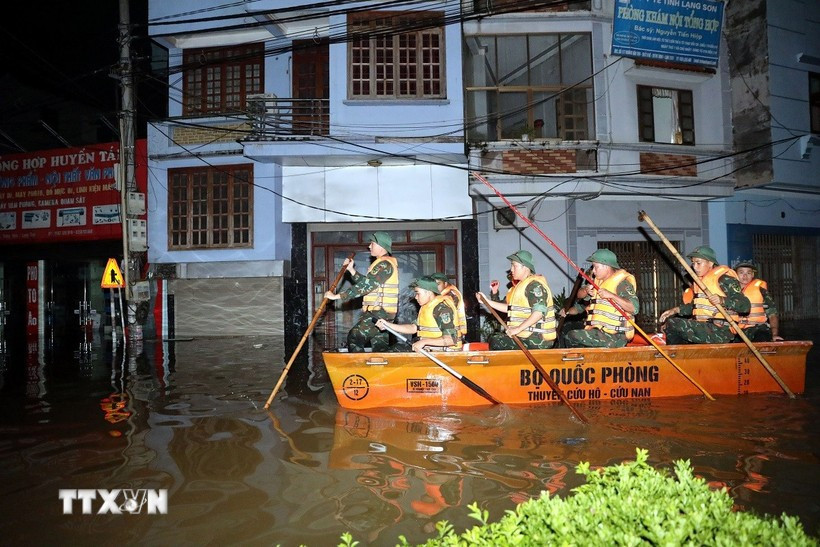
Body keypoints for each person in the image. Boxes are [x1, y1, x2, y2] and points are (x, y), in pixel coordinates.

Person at [659, 246, 750, 345]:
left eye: (698, 263)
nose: (695, 267)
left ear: (710, 263)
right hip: (704, 327)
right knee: (669, 326)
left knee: (673, 323)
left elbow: (745, 306)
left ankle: (677, 356)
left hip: (720, 331)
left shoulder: (724, 279)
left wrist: (722, 300)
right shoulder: (700, 282)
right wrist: (674, 310)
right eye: (693, 263)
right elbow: (695, 306)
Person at [325, 231, 399, 352]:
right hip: (381, 313)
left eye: (372, 243)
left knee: (354, 337)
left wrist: (337, 296)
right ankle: (378, 369)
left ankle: (357, 368)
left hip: (379, 313)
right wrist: (351, 270)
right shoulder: (384, 264)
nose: (369, 246)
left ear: (381, 246)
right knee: (380, 348)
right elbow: (367, 283)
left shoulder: (384, 265)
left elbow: (366, 286)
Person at [476, 250, 557, 350]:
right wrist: (486, 301)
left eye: (514, 266)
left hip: (537, 338)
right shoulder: (522, 286)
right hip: (527, 335)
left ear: (525, 267)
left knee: (496, 341)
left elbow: (539, 312)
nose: (511, 269)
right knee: (495, 338)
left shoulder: (534, 285)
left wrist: (518, 329)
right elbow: (510, 308)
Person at [561, 249, 639, 348]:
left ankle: (580, 362)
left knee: (572, 336)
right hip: (598, 331)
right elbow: (579, 295)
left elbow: (634, 308)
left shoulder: (622, 284)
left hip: (615, 336)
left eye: (596, 267)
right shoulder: (598, 282)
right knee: (568, 332)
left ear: (606, 267)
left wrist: (612, 295)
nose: (593, 270)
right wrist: (586, 290)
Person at [375, 276, 461, 352]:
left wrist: (423, 342)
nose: (415, 297)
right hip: (429, 351)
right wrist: (388, 325)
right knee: (393, 351)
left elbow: (451, 340)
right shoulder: (427, 307)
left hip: (444, 355)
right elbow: (413, 328)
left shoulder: (442, 309)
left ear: (428, 292)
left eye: (418, 293)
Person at [734, 260, 783, 342]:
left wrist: (774, 334)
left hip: (757, 329)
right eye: (741, 272)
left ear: (753, 275)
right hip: (736, 330)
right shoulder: (728, 291)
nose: (745, 276)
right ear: (735, 274)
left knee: (763, 337)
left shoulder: (761, 290)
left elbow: (772, 314)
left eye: (748, 273)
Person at [430, 272, 467, 342]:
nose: (435, 286)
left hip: (452, 335)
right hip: (448, 335)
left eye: (438, 284)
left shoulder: (451, 295)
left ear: (445, 284)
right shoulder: (442, 295)